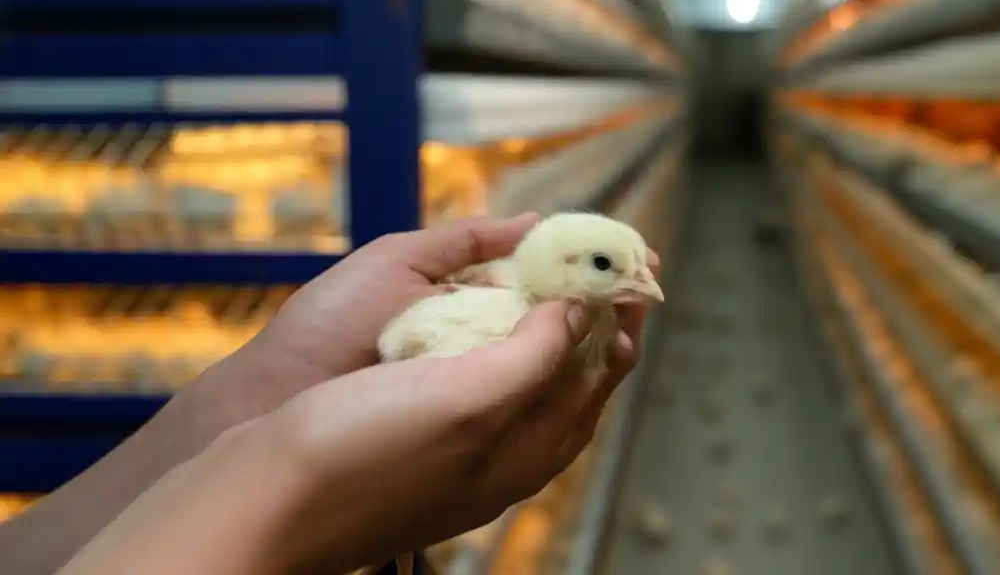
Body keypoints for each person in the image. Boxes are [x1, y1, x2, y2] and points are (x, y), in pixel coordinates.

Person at [0, 213, 655, 575]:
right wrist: (292, 484)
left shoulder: (509, 304)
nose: (641, 286)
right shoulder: (503, 314)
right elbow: (408, 347)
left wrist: (253, 410)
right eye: (604, 267)